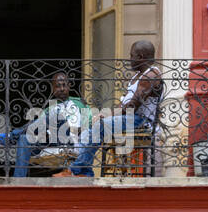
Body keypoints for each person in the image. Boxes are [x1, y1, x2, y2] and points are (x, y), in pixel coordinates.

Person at [70, 40, 163, 177]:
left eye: (132, 56)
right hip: (130, 117)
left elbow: (132, 105)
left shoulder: (151, 75)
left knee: (101, 125)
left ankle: (79, 168)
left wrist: (109, 115)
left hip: (141, 121)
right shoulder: (138, 76)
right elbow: (124, 104)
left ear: (141, 57)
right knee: (91, 125)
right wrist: (106, 113)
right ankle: (84, 170)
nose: (129, 59)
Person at [0, 70, 92, 177]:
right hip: (52, 140)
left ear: (69, 86)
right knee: (24, 138)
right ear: (53, 89)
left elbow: (87, 127)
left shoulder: (80, 103)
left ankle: (9, 138)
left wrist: (70, 128)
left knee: (56, 115)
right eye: (58, 86)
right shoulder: (48, 109)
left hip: (71, 139)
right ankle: (18, 180)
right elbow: (36, 130)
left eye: (64, 85)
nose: (62, 89)